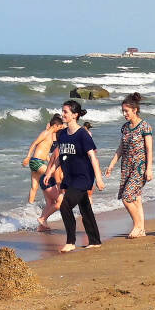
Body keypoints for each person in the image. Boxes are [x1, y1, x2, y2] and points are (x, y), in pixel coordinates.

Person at [43, 100, 105, 253]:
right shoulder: (62, 134)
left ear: (75, 115)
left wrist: (99, 178)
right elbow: (59, 156)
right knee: (85, 209)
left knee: (65, 205)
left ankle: (70, 241)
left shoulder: (82, 134)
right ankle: (95, 240)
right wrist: (50, 172)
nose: (63, 114)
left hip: (83, 177)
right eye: (63, 111)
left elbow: (92, 157)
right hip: (69, 178)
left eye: (66, 112)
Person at [105, 92, 154, 239]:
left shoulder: (144, 126)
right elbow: (121, 147)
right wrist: (111, 164)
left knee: (127, 197)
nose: (124, 114)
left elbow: (149, 149)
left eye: (126, 111)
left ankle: (137, 225)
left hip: (139, 167)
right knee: (136, 198)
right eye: (123, 111)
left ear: (135, 110)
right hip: (126, 167)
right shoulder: (125, 128)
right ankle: (142, 230)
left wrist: (149, 169)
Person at [23, 115, 63, 203]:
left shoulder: (51, 136)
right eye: (59, 127)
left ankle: (30, 206)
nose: (59, 129)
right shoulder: (46, 133)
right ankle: (57, 201)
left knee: (34, 187)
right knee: (54, 176)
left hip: (37, 162)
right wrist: (28, 156)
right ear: (55, 126)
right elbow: (34, 143)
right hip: (37, 162)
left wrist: (50, 163)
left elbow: (46, 153)